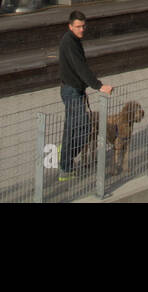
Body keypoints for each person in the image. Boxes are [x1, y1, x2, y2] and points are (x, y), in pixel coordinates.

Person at [58, 10, 113, 180]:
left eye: (83, 26)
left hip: (75, 90)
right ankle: (65, 156)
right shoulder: (69, 43)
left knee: (71, 129)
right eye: (78, 26)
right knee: (84, 128)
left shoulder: (74, 40)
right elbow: (80, 67)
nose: (82, 29)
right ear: (70, 26)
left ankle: (65, 167)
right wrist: (99, 86)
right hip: (71, 91)